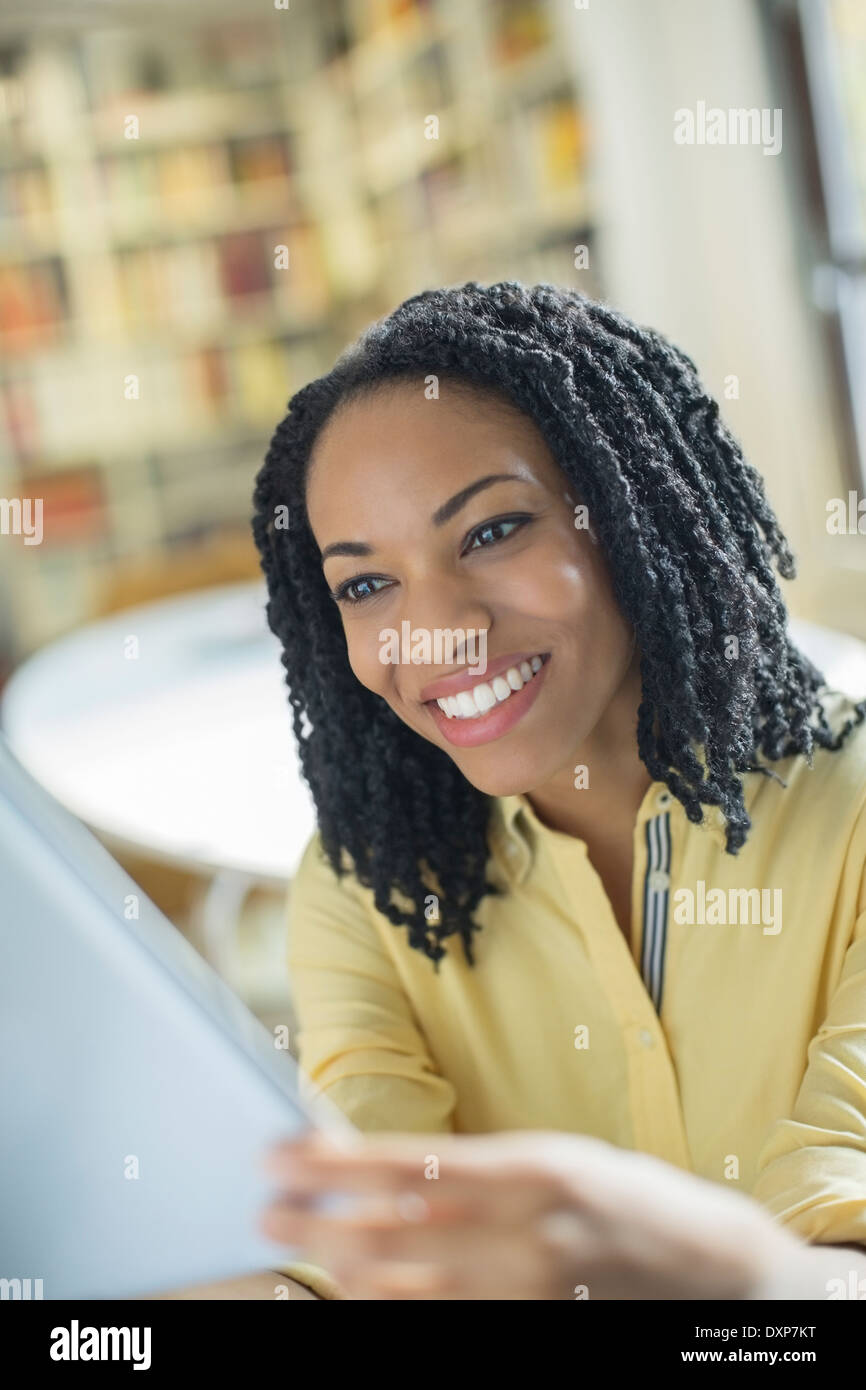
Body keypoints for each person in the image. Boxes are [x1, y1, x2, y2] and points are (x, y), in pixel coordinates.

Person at [248, 281, 866, 1300]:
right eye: (365, 584)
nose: (433, 628)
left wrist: (709, 1271)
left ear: (630, 517)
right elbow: (361, 1260)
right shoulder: (365, 886)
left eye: (490, 532)